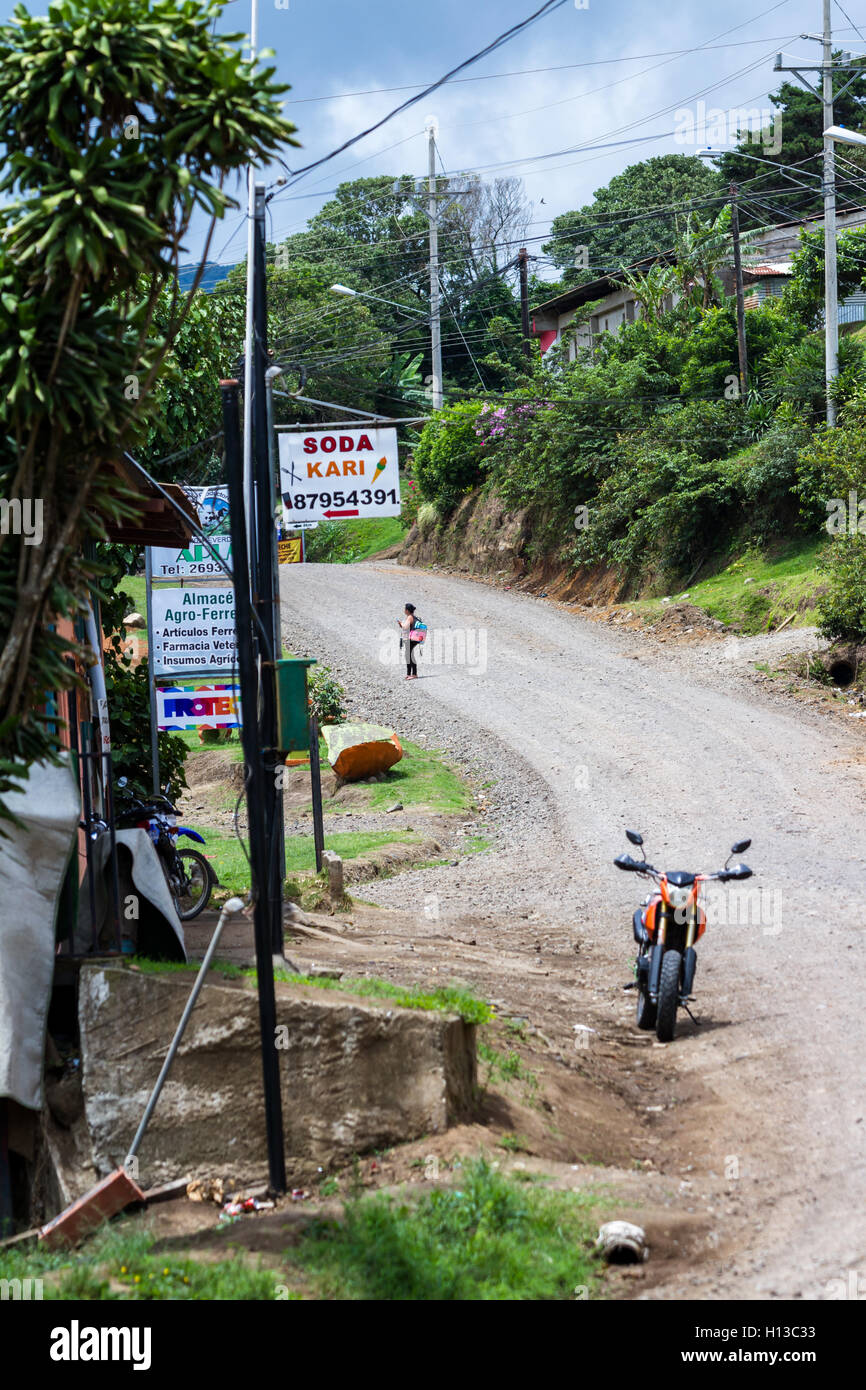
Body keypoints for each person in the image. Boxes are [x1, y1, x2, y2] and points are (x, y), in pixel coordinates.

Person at [398, 602, 421, 680]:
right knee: (409, 655)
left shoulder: (409, 617)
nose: (404, 610)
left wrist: (400, 623)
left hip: (411, 639)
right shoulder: (413, 617)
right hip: (414, 639)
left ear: (407, 610)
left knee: (409, 655)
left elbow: (405, 627)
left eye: (405, 609)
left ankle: (413, 674)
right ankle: (410, 674)